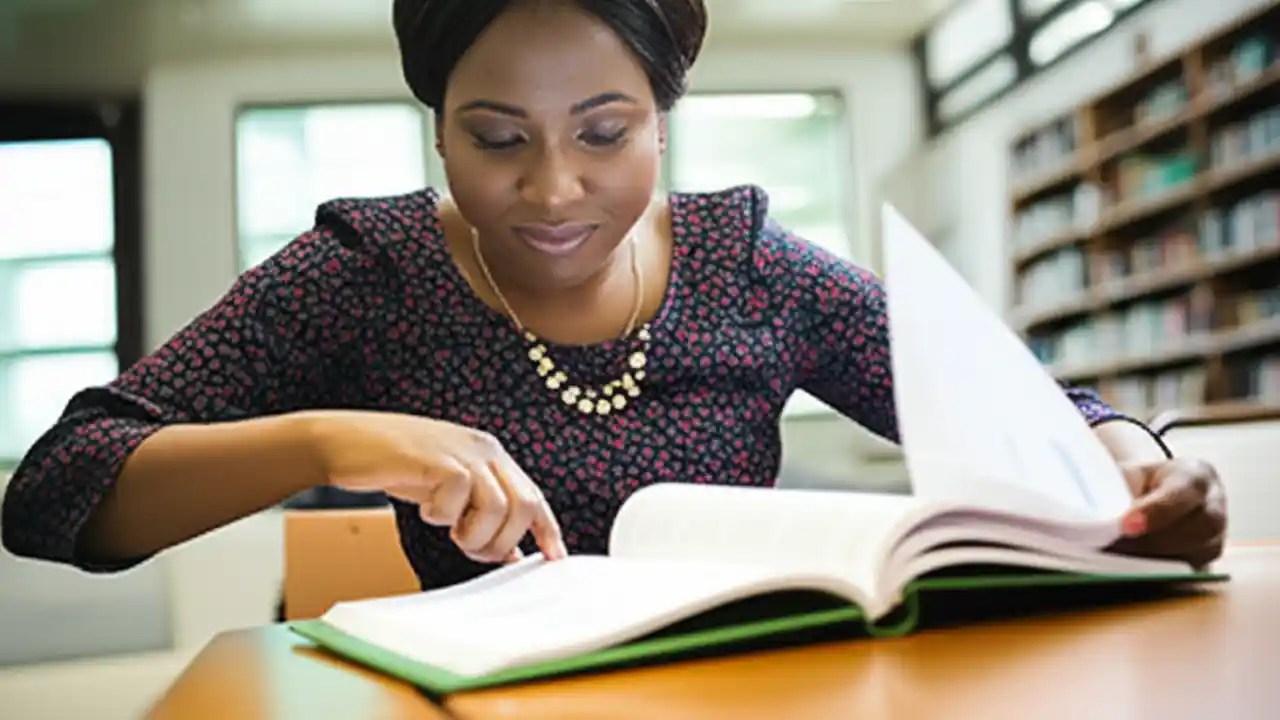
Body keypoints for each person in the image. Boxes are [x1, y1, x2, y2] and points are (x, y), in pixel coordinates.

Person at [1, 0, 1226, 591]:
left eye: (605, 132)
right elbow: (56, 490)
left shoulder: (749, 264)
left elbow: (1031, 406)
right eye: (496, 140)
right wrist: (339, 438)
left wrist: (1129, 457)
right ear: (436, 135)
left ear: (661, 120)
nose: (552, 191)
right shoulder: (366, 274)